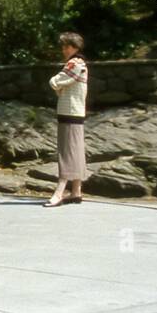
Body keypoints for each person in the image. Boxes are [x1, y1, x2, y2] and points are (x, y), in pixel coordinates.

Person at [45, 32, 89, 207]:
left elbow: (54, 81)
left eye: (67, 46)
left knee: (66, 152)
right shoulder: (81, 63)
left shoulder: (74, 63)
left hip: (69, 111)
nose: (64, 50)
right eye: (63, 46)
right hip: (76, 111)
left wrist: (57, 86)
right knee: (76, 150)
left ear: (75, 47)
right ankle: (76, 190)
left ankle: (59, 191)